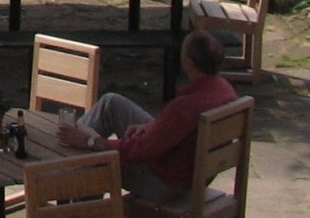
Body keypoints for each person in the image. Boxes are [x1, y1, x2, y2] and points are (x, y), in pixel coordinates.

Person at [57, 29, 239, 204]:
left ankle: (73, 208)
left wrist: (90, 142)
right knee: (111, 103)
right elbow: (170, 132)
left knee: (97, 159)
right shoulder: (225, 90)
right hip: (183, 168)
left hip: (165, 183)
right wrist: (151, 129)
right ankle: (65, 162)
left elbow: (137, 151)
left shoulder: (186, 107)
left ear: (189, 63)